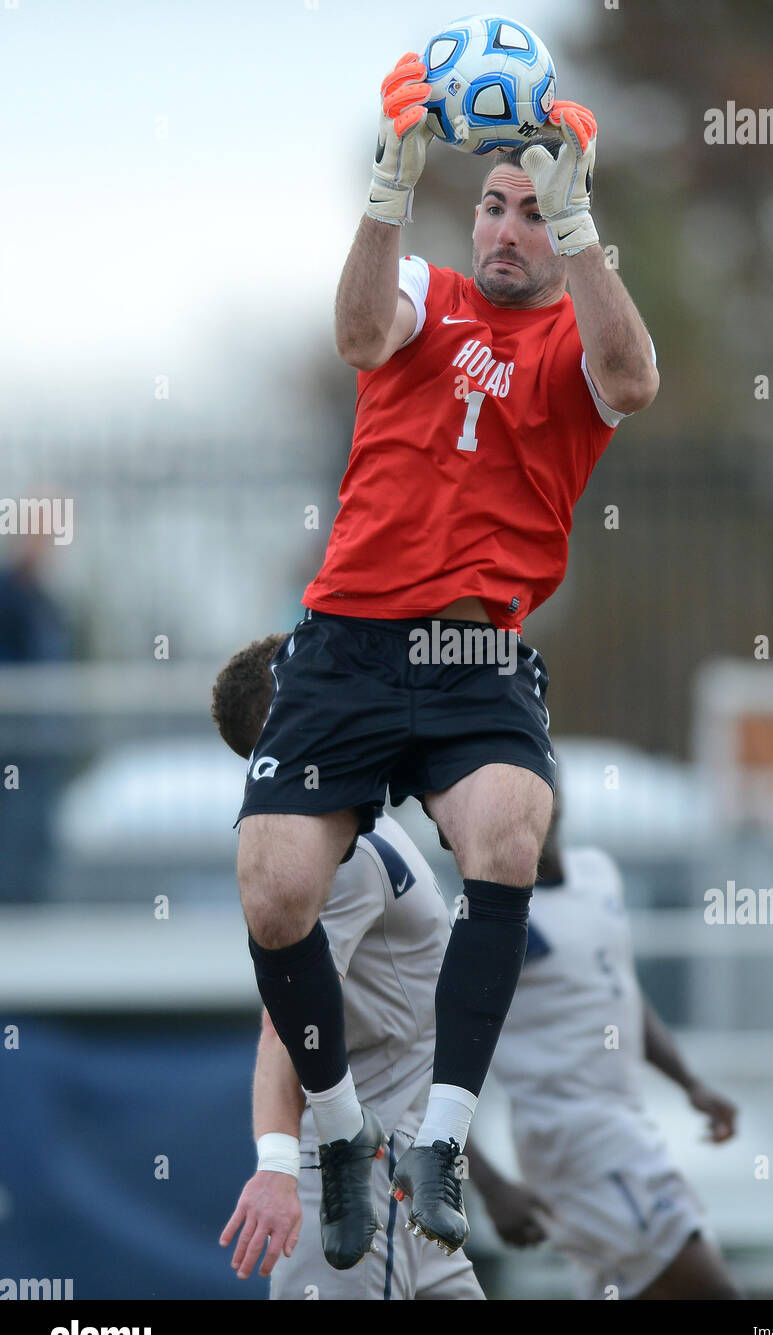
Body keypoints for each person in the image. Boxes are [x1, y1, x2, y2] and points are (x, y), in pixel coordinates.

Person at [234, 50, 659, 1269]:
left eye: (533, 209)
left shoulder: (584, 334)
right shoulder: (421, 288)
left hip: (475, 662)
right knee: (273, 891)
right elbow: (359, 328)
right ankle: (335, 1133)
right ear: (465, 209)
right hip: (348, 645)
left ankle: (447, 1138)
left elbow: (633, 376)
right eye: (494, 203)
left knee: (511, 831)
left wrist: (583, 224)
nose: (507, 229)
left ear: (565, 218)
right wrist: (386, 191)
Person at [213, 635, 486, 1297]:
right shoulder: (338, 856)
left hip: (396, 1157)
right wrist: (277, 1164)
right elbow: (285, 1024)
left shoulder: (350, 824)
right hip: (361, 1173)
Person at [483, 792, 741, 1299]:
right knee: (713, 1291)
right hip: (577, 1143)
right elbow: (427, 1058)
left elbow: (620, 991)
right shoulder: (495, 918)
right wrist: (491, 1187)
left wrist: (689, 1083)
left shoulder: (598, 871)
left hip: (623, 1125)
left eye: (540, 777)